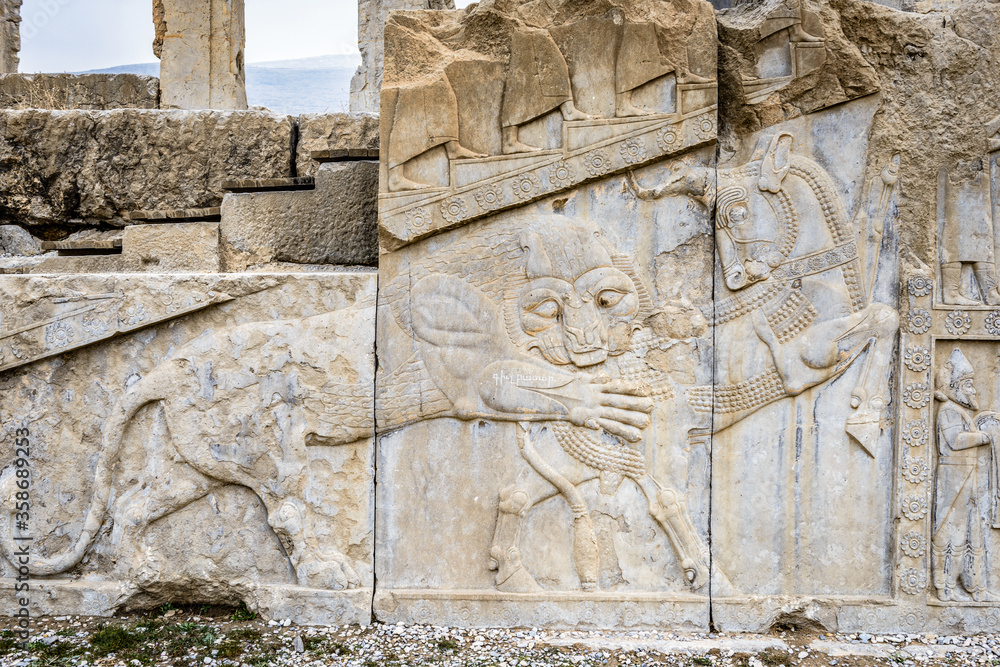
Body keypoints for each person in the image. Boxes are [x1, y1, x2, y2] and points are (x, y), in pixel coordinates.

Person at [933, 348, 992, 601]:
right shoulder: (947, 409)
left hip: (967, 478)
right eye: (967, 383)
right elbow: (955, 441)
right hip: (952, 480)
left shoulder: (960, 411)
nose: (973, 389)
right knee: (951, 533)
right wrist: (983, 436)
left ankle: (974, 587)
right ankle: (945, 588)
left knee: (972, 532)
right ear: (955, 386)